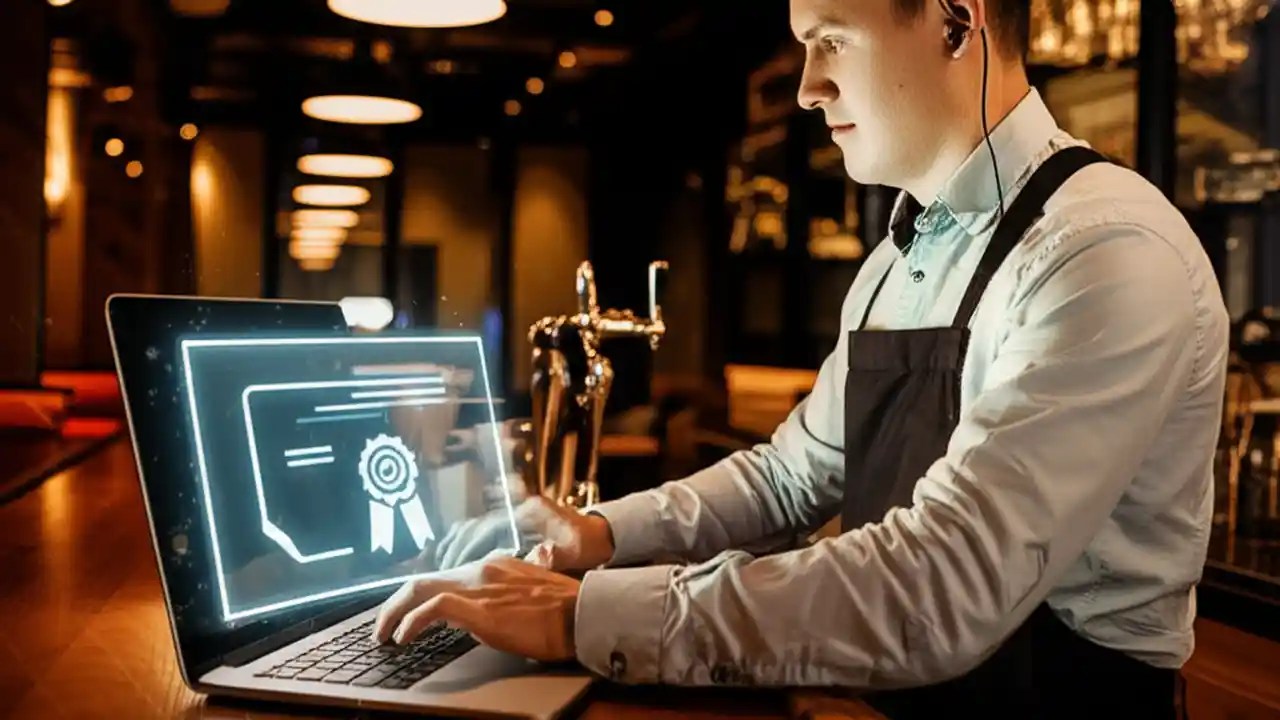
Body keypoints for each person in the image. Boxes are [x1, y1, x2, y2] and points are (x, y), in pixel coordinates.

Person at [373, 0, 1230, 716]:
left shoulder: (1102, 250)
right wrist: (595, 538)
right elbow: (791, 478)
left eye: (831, 40)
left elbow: (945, 584)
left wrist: (584, 617)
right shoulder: (897, 260)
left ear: (957, 21)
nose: (810, 88)